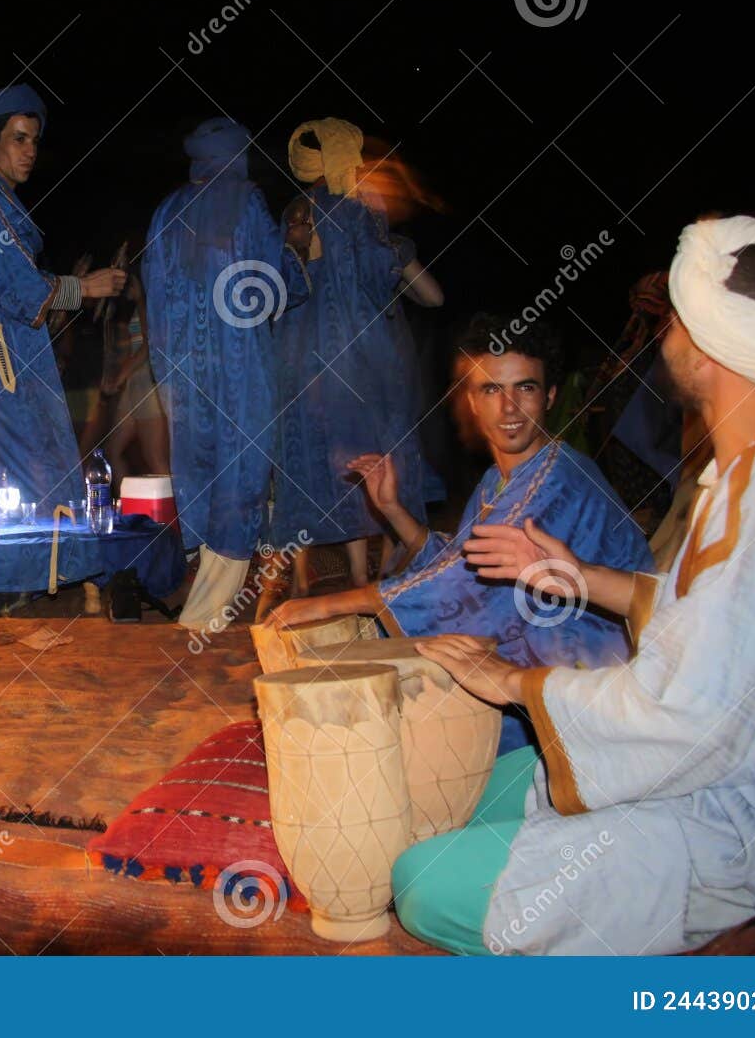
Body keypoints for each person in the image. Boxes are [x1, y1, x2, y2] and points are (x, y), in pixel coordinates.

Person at [393, 216, 755, 955]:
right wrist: (583, 576)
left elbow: (691, 714)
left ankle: (709, 955)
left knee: (420, 881)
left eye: (678, 318)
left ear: (707, 349)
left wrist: (517, 683)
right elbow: (730, 628)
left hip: (745, 831)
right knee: (479, 790)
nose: (665, 332)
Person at [268, 315, 653, 752]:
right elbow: (461, 558)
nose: (508, 408)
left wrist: (328, 602)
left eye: (524, 388)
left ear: (549, 397)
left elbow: (460, 584)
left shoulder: (559, 482)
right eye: (491, 389)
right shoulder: (499, 480)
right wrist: (394, 511)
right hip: (544, 665)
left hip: (590, 684)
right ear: (471, 402)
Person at [0, 84, 126, 511]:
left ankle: (4, 573)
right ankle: (43, 566)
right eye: (18, 139)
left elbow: (7, 286)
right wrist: (84, 287)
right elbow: (17, 288)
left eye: (34, 141)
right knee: (26, 477)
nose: (30, 150)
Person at [143, 117, 301, 632]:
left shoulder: (165, 212)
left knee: (197, 466)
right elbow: (274, 284)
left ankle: (196, 578)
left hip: (180, 372)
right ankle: (206, 610)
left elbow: (151, 293)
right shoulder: (247, 202)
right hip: (240, 368)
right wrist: (299, 255)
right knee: (244, 470)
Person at [271, 117, 442, 591]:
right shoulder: (364, 217)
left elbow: (279, 289)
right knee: (371, 454)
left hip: (299, 363)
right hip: (364, 362)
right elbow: (431, 296)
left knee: (310, 457)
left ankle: (303, 576)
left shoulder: (293, 214)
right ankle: (370, 574)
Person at [101, 270, 170, 478]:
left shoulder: (148, 305)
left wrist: (122, 373)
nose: (125, 289)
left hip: (148, 387)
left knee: (155, 458)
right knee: (113, 452)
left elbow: (151, 344)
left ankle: (174, 510)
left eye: (129, 284)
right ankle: (127, 505)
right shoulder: (133, 309)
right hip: (134, 385)